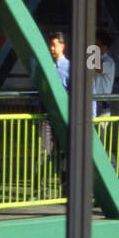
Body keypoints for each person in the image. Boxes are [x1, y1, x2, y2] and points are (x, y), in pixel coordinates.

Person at [41, 31, 71, 162]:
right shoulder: (48, 66)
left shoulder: (69, 68)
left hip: (63, 114)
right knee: (44, 151)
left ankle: (64, 180)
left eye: (54, 45)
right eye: (51, 45)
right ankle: (39, 182)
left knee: (63, 151)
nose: (51, 48)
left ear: (62, 47)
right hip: (48, 114)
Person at [92, 29, 116, 118]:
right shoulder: (92, 60)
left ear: (105, 47)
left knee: (99, 131)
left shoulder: (109, 62)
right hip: (92, 102)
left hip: (101, 103)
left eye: (97, 45)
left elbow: (99, 68)